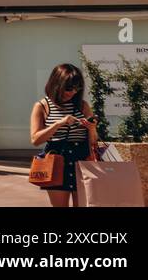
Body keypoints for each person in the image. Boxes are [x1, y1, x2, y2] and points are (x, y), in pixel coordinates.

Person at [30, 63, 99, 207]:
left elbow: (93, 142)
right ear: (57, 84)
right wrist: (59, 124)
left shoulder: (82, 106)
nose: (72, 92)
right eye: (68, 88)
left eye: (77, 88)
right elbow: (35, 139)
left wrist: (92, 129)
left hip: (82, 160)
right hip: (56, 160)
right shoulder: (42, 106)